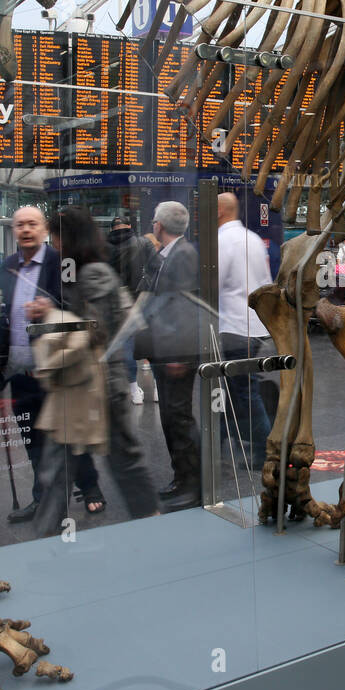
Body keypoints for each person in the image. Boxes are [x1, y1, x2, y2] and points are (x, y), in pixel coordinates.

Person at [33, 206, 161, 525]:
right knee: (84, 455)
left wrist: (51, 316)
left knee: (121, 458)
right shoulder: (87, 269)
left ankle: (151, 521)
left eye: (57, 235)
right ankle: (149, 521)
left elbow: (96, 329)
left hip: (101, 382)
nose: (54, 242)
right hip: (92, 381)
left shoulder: (92, 274)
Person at [0, 206, 64, 523]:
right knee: (32, 439)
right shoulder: (8, 266)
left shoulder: (60, 264)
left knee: (53, 441)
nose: (26, 230)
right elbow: (3, 315)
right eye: (20, 225)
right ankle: (41, 498)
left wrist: (52, 308)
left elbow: (81, 310)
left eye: (32, 224)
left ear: (44, 229)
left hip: (52, 369)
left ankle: (54, 502)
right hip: (19, 371)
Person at [138, 201, 203, 511]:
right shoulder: (167, 256)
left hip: (177, 354)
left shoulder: (184, 256)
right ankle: (182, 478)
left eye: (154, 222)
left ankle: (194, 484)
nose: (153, 226)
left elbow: (186, 307)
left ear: (159, 226)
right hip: (166, 351)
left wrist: (180, 355)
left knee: (179, 417)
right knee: (171, 417)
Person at [216, 193, 273, 470]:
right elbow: (265, 281)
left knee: (245, 391)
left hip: (233, 327)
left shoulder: (222, 241)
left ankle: (267, 450)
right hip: (255, 325)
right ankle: (222, 438)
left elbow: (213, 283)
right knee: (234, 387)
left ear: (219, 211)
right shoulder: (252, 239)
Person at [107, 215, 152, 404]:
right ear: (130, 226)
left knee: (127, 346)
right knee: (151, 344)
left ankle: (134, 389)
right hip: (143, 300)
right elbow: (156, 269)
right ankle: (155, 388)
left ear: (112, 229)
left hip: (119, 304)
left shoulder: (106, 248)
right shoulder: (144, 243)